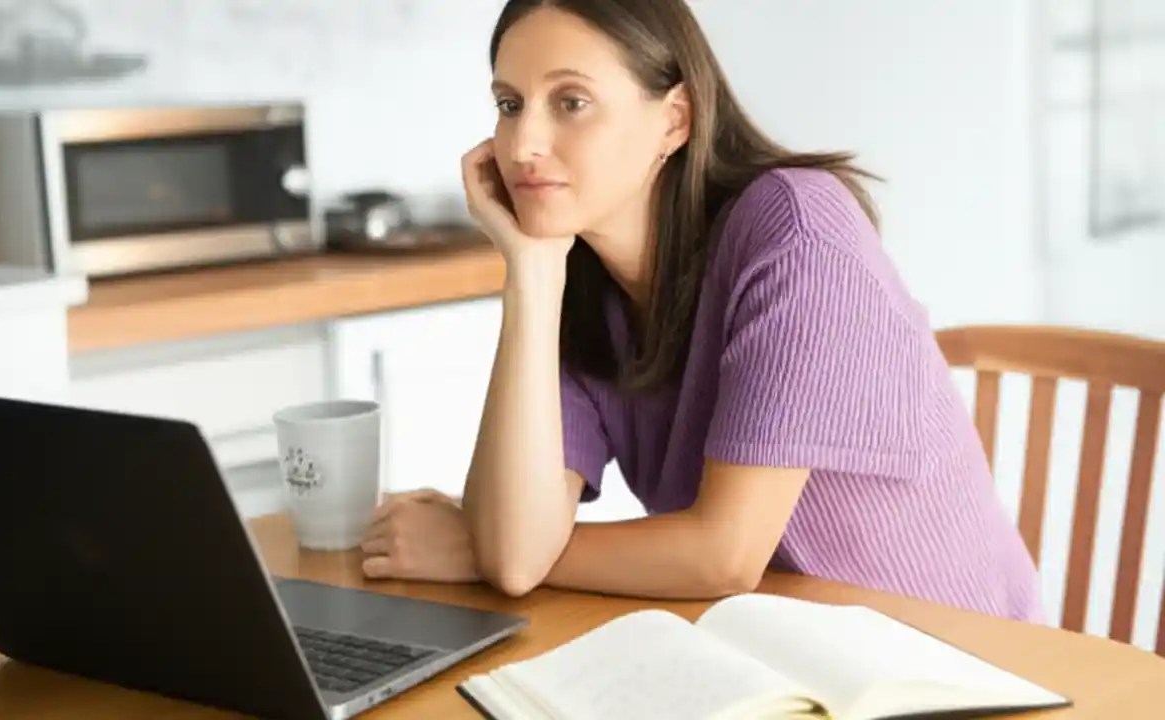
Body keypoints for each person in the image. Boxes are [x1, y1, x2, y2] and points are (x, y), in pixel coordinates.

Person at [359, 0, 1044, 623]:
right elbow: (515, 553)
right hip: (773, 657)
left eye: (570, 101)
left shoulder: (797, 230)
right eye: (510, 104)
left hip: (955, 663)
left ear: (674, 120)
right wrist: (531, 272)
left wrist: (473, 550)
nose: (522, 145)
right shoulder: (579, 286)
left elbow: (725, 552)